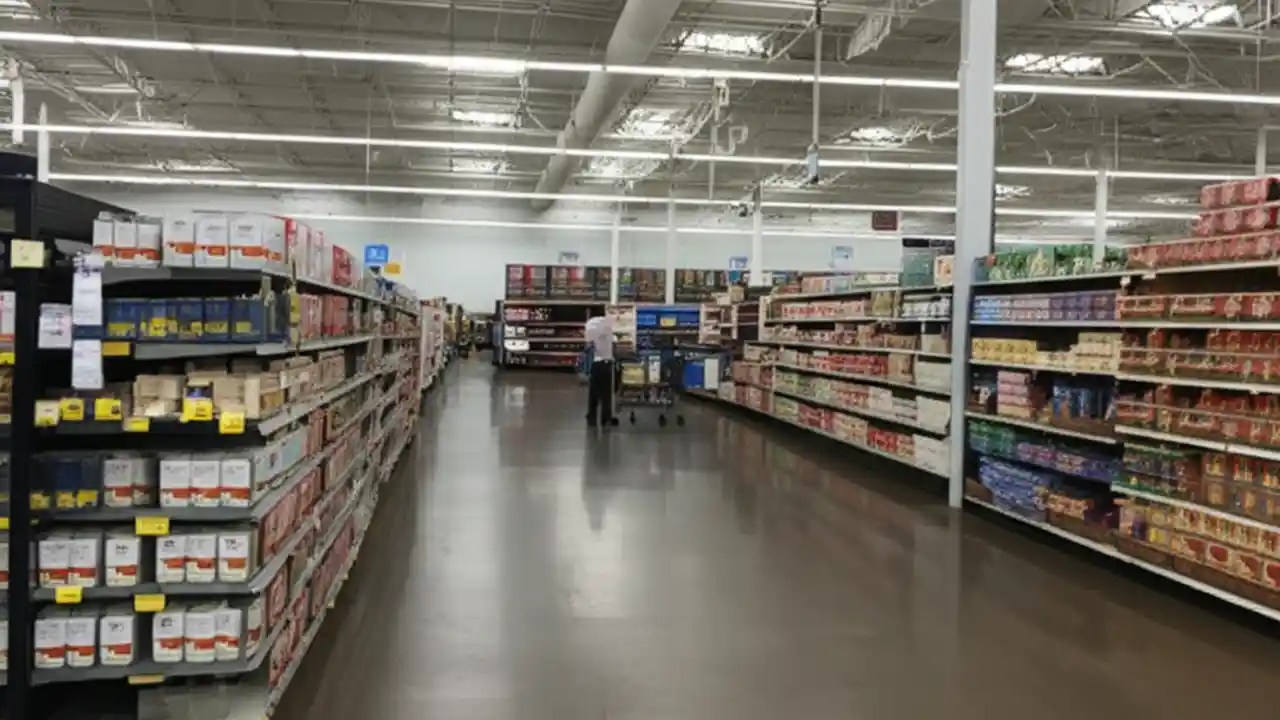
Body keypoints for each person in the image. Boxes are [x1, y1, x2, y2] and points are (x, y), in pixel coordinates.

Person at [583, 314, 617, 428]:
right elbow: (614, 348)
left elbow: (588, 348)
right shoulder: (609, 331)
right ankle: (605, 418)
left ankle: (592, 417)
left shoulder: (591, 329)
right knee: (606, 393)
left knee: (593, 393)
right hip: (607, 364)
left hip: (596, 364)